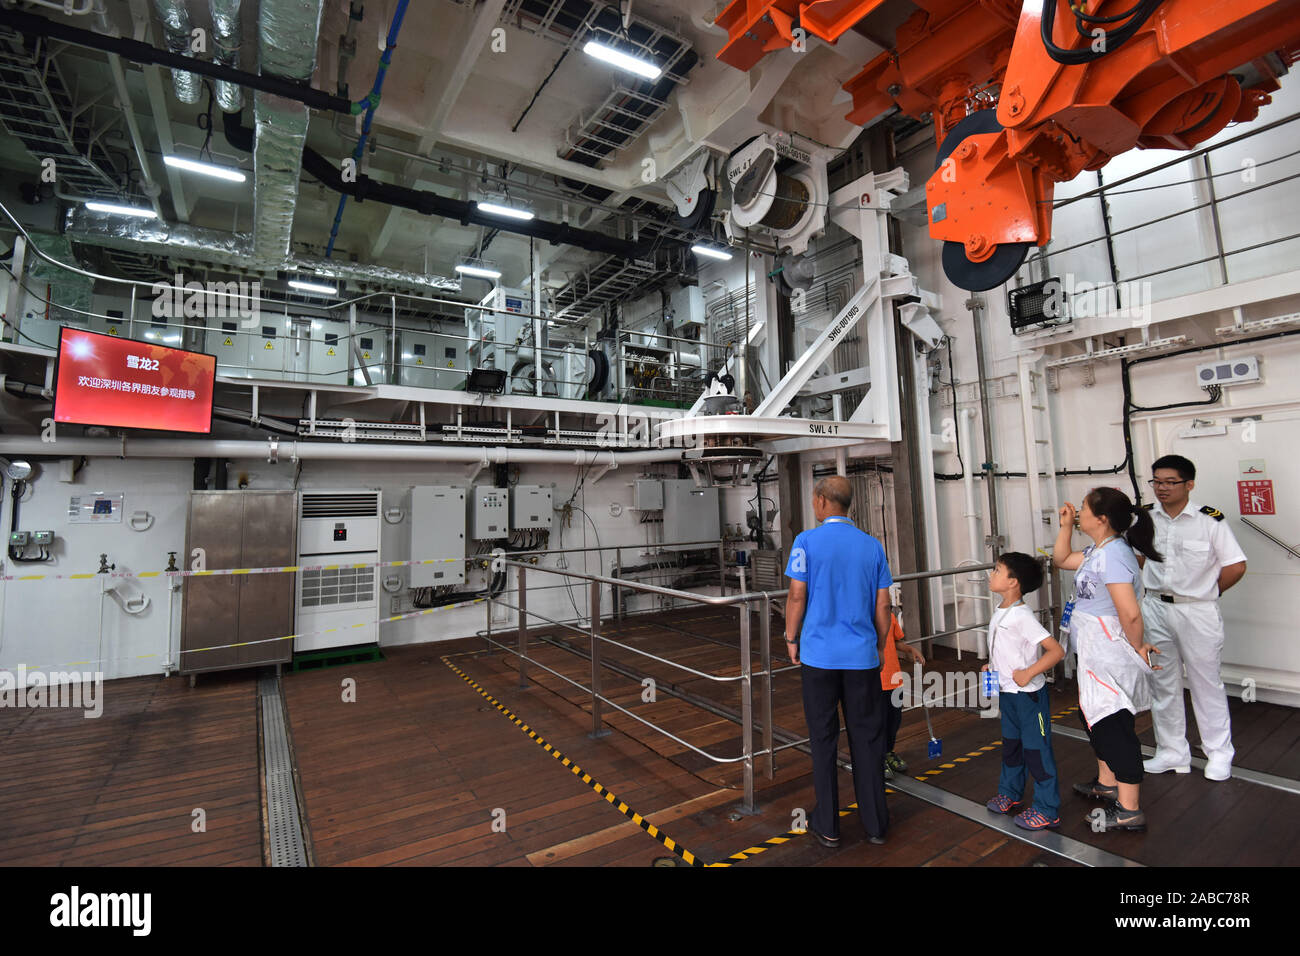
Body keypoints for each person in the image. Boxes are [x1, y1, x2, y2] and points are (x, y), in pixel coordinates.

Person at [784, 475, 893, 847]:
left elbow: (797, 596)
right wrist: (879, 646)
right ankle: (876, 824)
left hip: (819, 658)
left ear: (820, 501)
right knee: (867, 739)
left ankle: (828, 825)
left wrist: (790, 637)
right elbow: (883, 605)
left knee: (823, 739)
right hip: (861, 658)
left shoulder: (806, 542)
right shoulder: (872, 546)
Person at [1053, 487, 1163, 832]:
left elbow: (1129, 613)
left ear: (1101, 519)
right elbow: (1060, 560)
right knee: (1095, 716)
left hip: (1109, 650)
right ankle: (1106, 782)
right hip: (1093, 649)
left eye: (1083, 509)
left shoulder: (1114, 555)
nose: (1079, 512)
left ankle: (1129, 807)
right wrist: (1065, 526)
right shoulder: (1098, 550)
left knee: (1112, 724)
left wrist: (1135, 648)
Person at [1138, 455, 1247, 781]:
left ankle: (1218, 753)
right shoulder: (1145, 519)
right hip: (1156, 607)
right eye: (1157, 481)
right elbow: (1142, 559)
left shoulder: (1209, 520)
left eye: (1170, 482)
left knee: (1205, 683)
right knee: (1162, 682)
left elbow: (1235, 565)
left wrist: (1206, 593)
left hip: (1197, 610)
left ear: (1189, 484)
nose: (1162, 488)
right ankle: (1172, 752)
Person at [982, 552, 1065, 830]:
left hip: (1028, 697)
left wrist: (1029, 672)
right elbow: (1006, 649)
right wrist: (991, 667)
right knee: (1012, 747)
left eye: (997, 570)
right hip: (1008, 695)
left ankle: (1046, 808)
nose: (991, 575)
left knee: (1036, 752)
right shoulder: (1001, 611)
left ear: (1013, 582)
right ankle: (1010, 792)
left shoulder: (1022, 616)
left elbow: (1056, 651)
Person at [879, 607, 924, 779]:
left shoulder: (889, 617)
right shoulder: (863, 617)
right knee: (878, 722)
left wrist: (910, 649)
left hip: (894, 679)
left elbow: (895, 641)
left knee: (894, 720)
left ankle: (888, 751)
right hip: (875, 682)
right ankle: (878, 757)